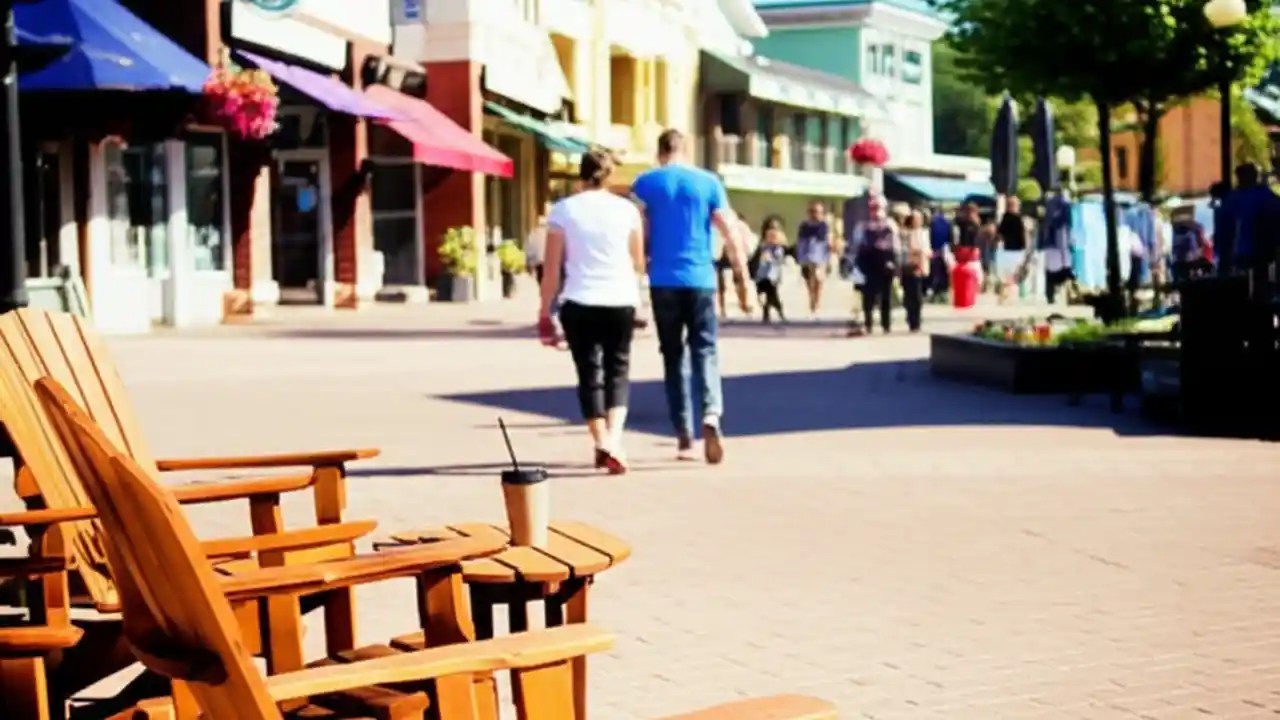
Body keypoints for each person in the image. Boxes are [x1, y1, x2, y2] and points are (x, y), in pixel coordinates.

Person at [632, 129, 748, 464]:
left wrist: (638, 273)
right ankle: (711, 412)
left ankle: (684, 436)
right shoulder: (709, 182)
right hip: (701, 278)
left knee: (672, 355)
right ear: (687, 149)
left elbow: (639, 234)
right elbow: (729, 230)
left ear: (660, 151)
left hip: (663, 279)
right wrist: (742, 278)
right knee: (706, 349)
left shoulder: (645, 184)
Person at [537, 150, 644, 475]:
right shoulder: (628, 211)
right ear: (609, 176)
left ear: (580, 176)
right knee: (618, 370)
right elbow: (638, 263)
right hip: (620, 299)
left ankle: (601, 442)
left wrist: (544, 311)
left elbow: (552, 269)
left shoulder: (563, 211)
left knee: (588, 373)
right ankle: (613, 439)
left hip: (579, 301)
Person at [851, 195, 899, 334]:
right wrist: (857, 265)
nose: (875, 211)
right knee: (868, 296)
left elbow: (895, 245)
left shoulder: (890, 224)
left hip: (885, 261)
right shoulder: (862, 225)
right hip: (868, 262)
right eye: (873, 208)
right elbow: (857, 246)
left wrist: (894, 262)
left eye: (878, 207)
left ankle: (886, 324)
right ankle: (868, 323)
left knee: (886, 295)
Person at [795, 200, 832, 319]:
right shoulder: (804, 226)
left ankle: (817, 304)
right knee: (809, 280)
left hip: (820, 254)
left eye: (817, 212)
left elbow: (828, 241)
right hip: (807, 253)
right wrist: (800, 257)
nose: (814, 214)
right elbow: (800, 242)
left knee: (818, 279)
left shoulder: (824, 225)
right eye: (812, 211)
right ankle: (812, 303)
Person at [752, 215, 788, 324]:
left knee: (772, 296)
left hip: (772, 277)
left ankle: (776, 313)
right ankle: (771, 313)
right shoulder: (761, 247)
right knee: (766, 296)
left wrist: (771, 257)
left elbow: (780, 261)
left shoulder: (779, 248)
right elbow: (754, 261)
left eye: (775, 229)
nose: (772, 233)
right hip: (761, 276)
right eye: (770, 229)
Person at [900, 209, 931, 332]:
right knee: (909, 295)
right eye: (915, 219)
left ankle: (916, 321)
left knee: (918, 296)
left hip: (921, 267)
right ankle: (910, 317)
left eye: (920, 219)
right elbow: (903, 250)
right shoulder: (905, 233)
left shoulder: (924, 233)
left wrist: (926, 253)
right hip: (908, 267)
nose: (918, 221)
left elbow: (927, 248)